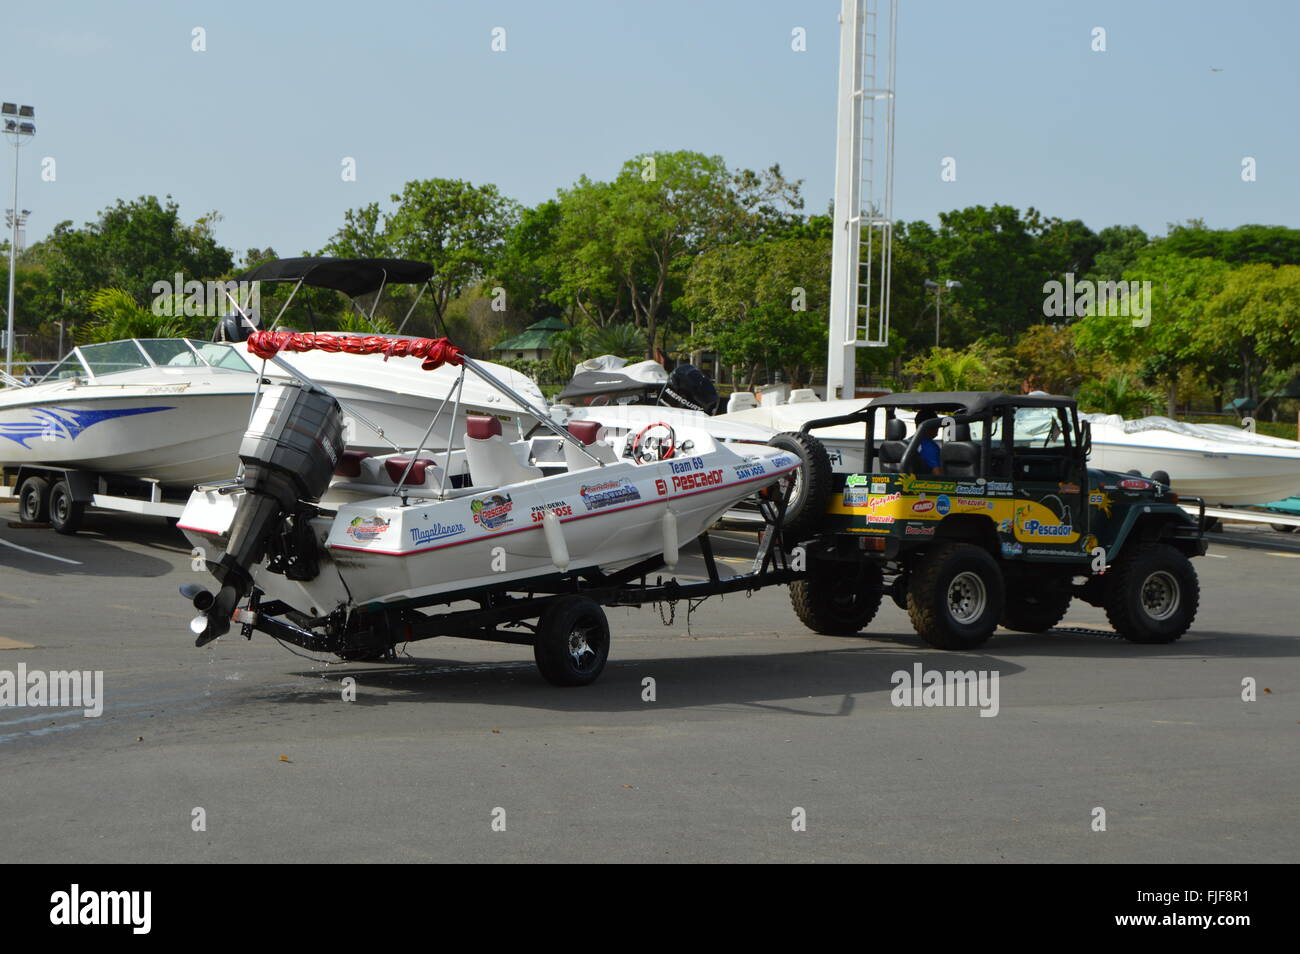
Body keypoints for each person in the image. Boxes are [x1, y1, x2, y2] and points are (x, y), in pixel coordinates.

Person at [913, 408, 943, 475]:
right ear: (930, 425)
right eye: (937, 424)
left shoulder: (907, 443)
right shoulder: (930, 446)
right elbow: (938, 475)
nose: (938, 428)